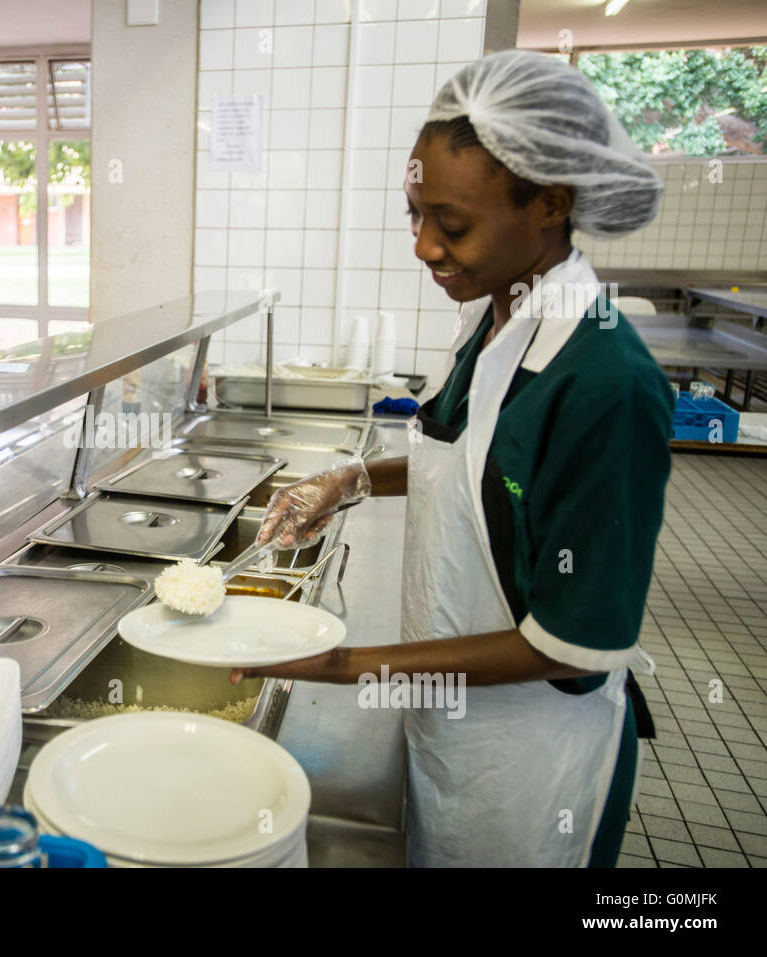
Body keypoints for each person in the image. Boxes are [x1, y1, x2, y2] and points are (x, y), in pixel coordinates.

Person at [237, 50, 674, 867]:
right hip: (454, 721)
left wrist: (343, 664)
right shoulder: (498, 316)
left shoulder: (606, 383)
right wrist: (352, 477)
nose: (424, 246)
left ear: (550, 203)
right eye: (414, 214)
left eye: (453, 223)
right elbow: (472, 455)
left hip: (531, 760)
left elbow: (571, 642)